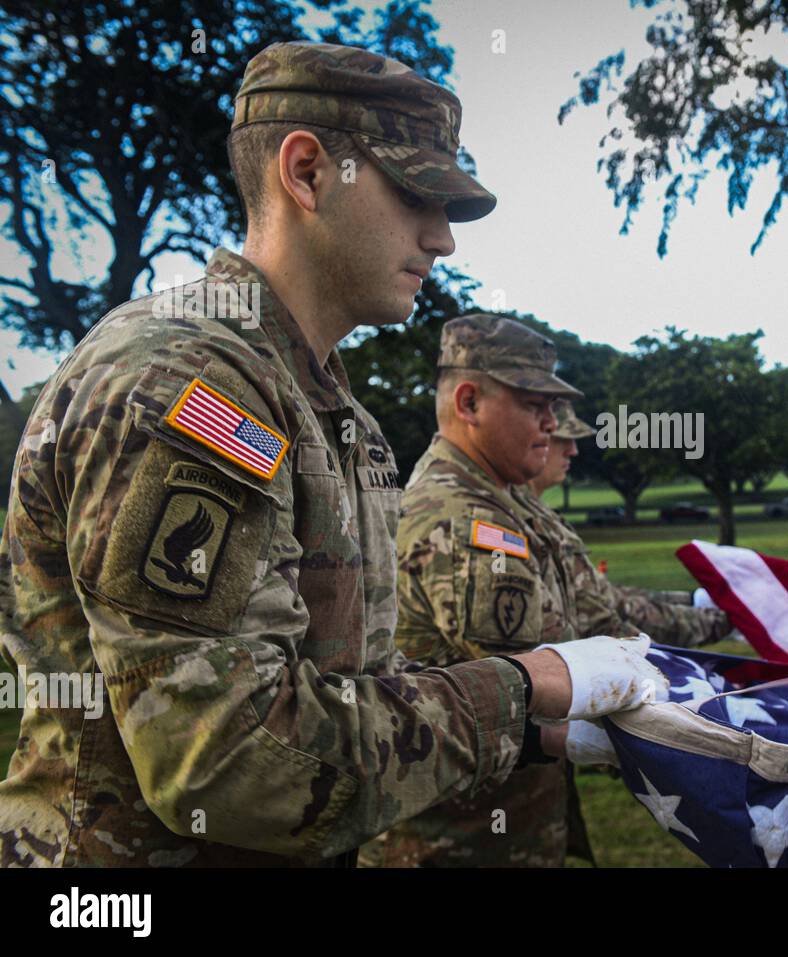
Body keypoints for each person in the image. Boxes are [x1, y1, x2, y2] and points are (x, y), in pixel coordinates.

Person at [0, 41, 659, 868]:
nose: (443, 238)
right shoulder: (186, 383)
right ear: (307, 172)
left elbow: (352, 694)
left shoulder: (331, 414)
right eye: (418, 194)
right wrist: (524, 686)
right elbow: (231, 764)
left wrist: (538, 736)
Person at [363, 316, 719, 868]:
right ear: (469, 403)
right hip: (458, 844)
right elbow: (548, 678)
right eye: (535, 405)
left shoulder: (500, 498)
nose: (554, 424)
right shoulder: (464, 520)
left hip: (504, 825)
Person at [521, 400, 732, 648]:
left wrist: (694, 601)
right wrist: (720, 623)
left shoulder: (541, 518)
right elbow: (597, 619)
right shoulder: (518, 523)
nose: (573, 451)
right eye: (560, 438)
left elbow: (608, 597)